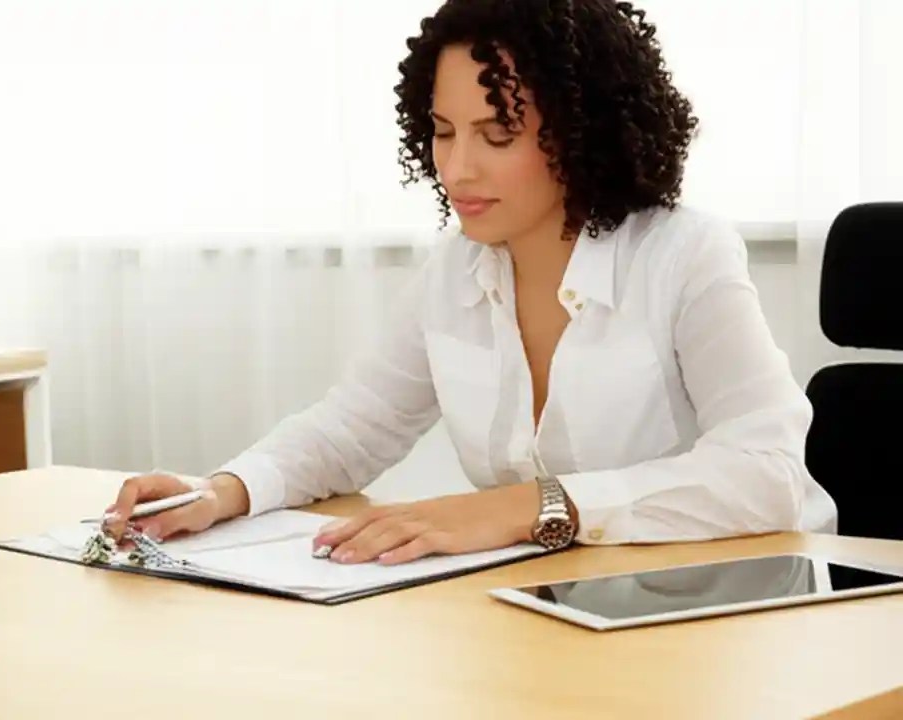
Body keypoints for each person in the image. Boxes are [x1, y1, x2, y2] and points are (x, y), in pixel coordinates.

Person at [103, 0, 837, 565]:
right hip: (556, 602)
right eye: (443, 130)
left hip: (736, 606)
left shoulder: (685, 254)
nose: (456, 169)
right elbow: (354, 427)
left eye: (497, 135)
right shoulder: (455, 268)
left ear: (582, 131)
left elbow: (766, 472)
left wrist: (534, 505)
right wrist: (225, 490)